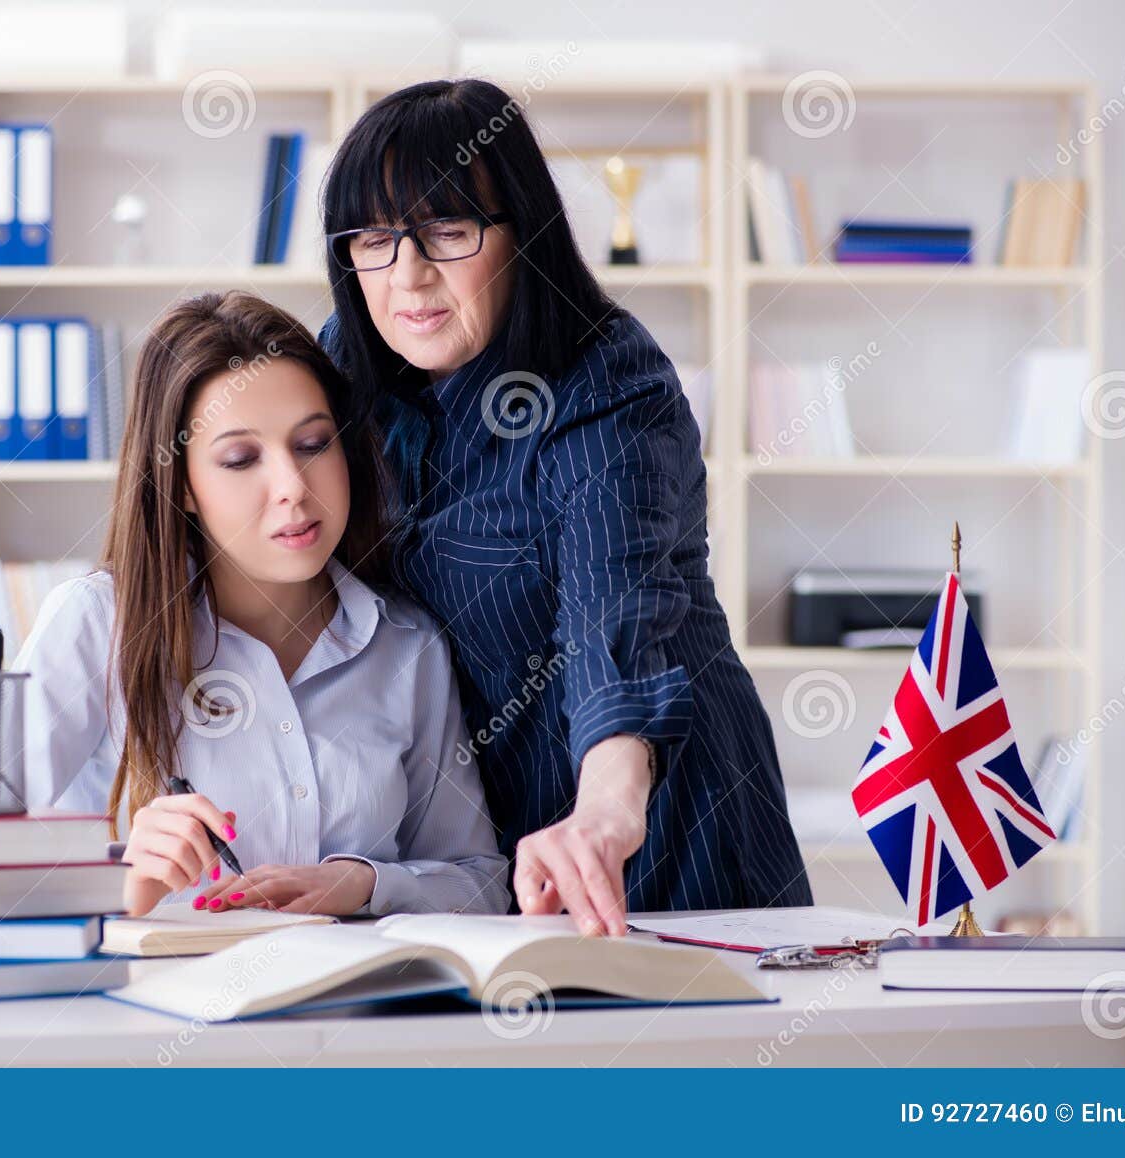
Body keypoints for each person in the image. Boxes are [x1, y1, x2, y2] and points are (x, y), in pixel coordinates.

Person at [318, 78, 813, 936]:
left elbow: (611, 614)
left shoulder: (606, 380)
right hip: (472, 849)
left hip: (659, 826)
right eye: (374, 238)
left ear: (523, 231)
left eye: (446, 229)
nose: (408, 274)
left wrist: (610, 804)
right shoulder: (346, 371)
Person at [16, 290, 509, 919]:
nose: (293, 489)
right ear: (181, 486)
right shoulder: (98, 624)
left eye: (313, 444)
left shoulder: (405, 645)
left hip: (358, 1010)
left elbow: (480, 881)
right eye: (241, 459)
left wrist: (364, 885)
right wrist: (123, 880)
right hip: (160, 1006)